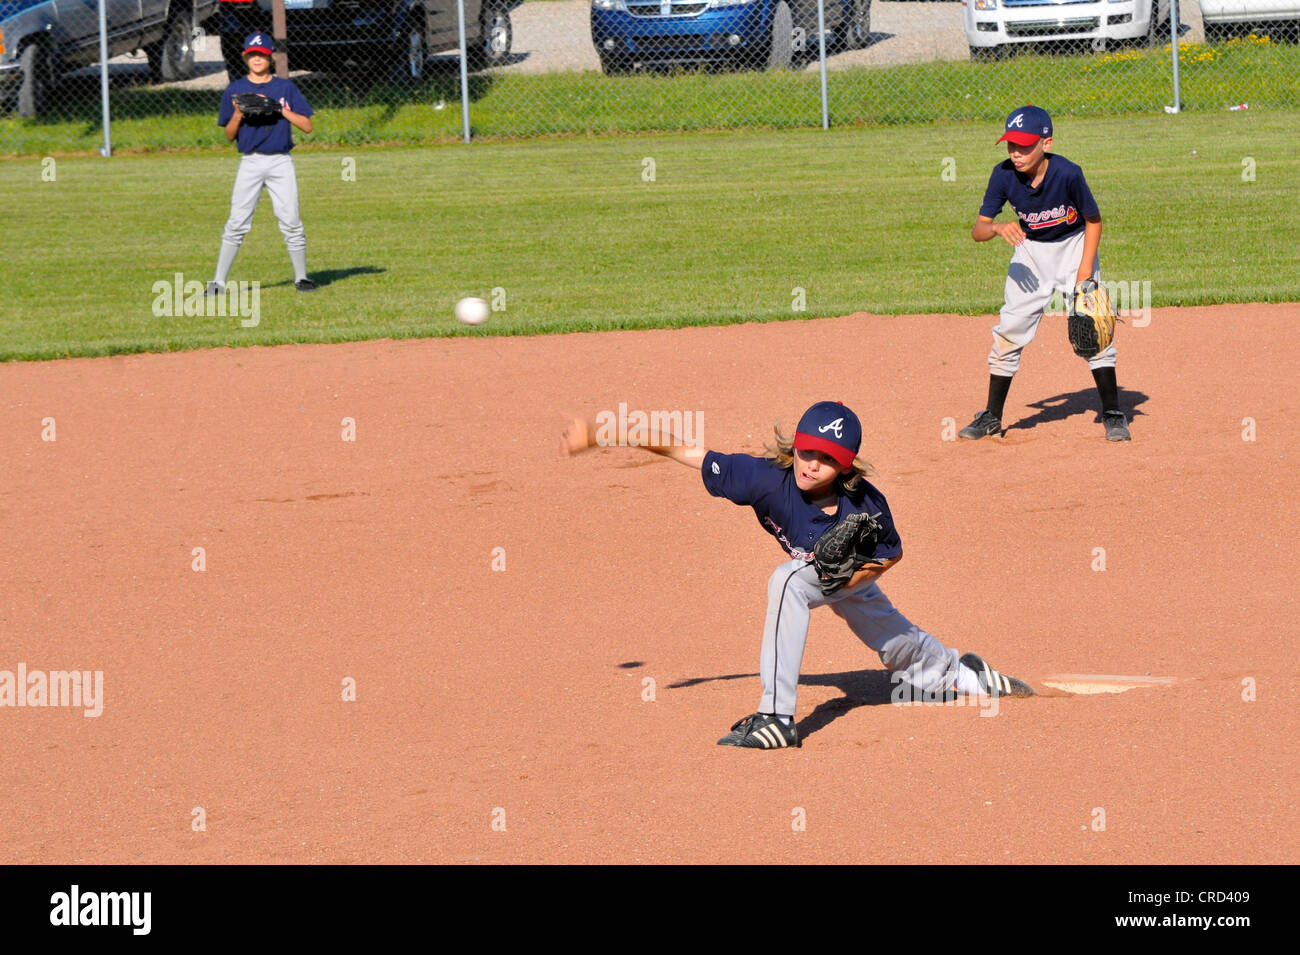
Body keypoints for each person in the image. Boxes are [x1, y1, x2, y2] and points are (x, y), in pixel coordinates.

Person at [560, 400, 1034, 750]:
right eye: (808, 452)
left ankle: (955, 674)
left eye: (828, 459)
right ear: (795, 448)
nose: (813, 465)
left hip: (853, 575)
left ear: (846, 465)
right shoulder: (764, 478)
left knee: (880, 636)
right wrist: (607, 434)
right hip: (818, 570)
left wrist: (847, 580)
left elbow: (891, 553)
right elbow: (689, 452)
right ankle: (779, 711)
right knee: (792, 580)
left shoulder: (866, 504)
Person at [961, 105, 1130, 442]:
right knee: (1010, 330)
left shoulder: (1068, 173)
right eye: (1011, 145)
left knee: (1092, 326)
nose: (1016, 152)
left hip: (1074, 248)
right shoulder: (1003, 175)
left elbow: (1094, 221)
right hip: (1030, 254)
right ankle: (992, 416)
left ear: (1046, 143)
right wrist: (998, 227)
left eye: (1024, 145)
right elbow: (978, 231)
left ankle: (1112, 413)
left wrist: (1084, 273)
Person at [207, 32, 316, 296]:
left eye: (262, 55)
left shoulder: (285, 88)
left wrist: (280, 109)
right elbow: (230, 135)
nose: (257, 59)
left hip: (281, 161)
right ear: (246, 57)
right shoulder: (235, 90)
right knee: (237, 222)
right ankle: (218, 283)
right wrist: (238, 114)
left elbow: (307, 126)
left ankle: (302, 278)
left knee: (291, 220)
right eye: (252, 55)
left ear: (270, 57)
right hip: (251, 162)